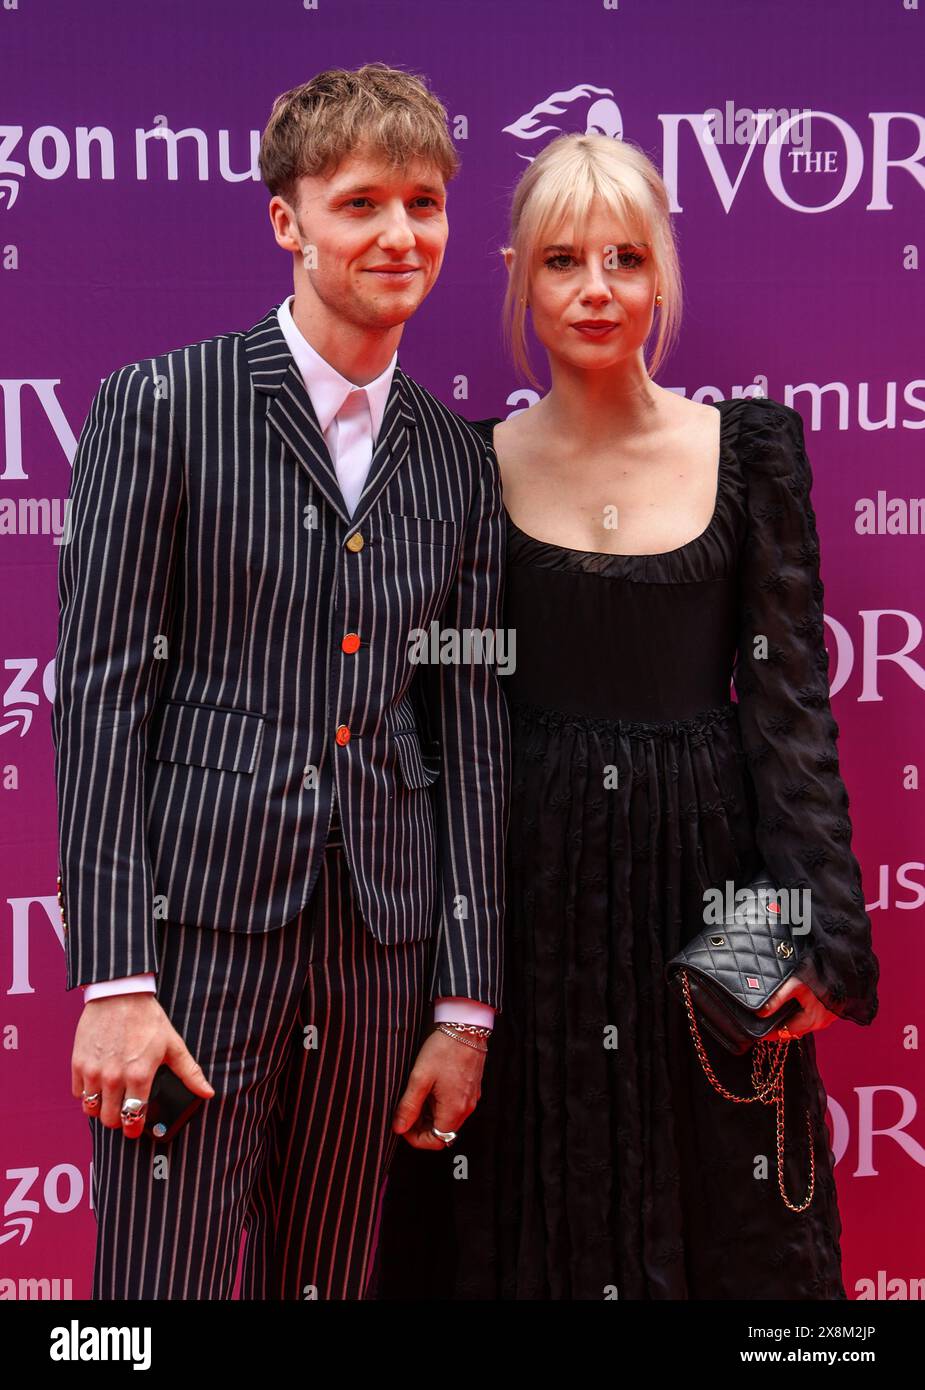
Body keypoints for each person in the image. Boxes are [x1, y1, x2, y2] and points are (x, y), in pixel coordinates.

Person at [372, 132, 880, 1300]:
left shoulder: (747, 454)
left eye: (624, 259)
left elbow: (791, 713)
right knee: (523, 1195)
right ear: (519, 281)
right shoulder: (468, 468)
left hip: (713, 885)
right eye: (561, 262)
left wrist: (811, 936)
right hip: (526, 885)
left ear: (661, 276)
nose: (595, 289)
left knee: (737, 1200)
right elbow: (451, 721)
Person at [51, 63, 510, 1301]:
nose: (400, 234)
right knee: (159, 1294)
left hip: (379, 953)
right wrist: (114, 980)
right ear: (287, 221)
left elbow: (467, 730)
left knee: (328, 1282)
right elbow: (96, 700)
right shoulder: (160, 405)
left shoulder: (459, 467)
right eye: (360, 202)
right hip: (193, 950)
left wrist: (464, 1004)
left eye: (424, 202)